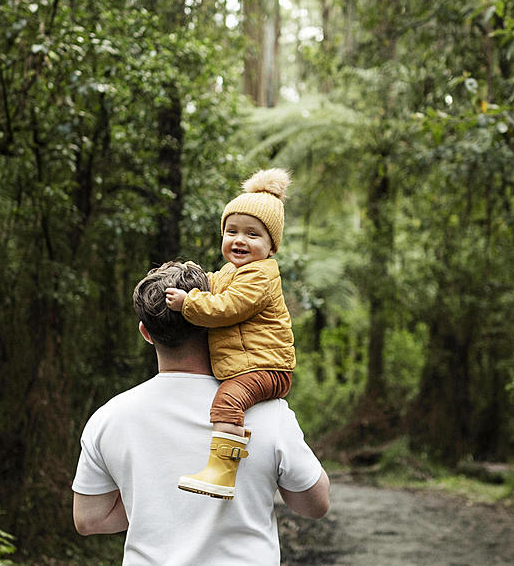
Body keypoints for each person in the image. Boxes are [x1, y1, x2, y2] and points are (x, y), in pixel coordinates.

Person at [72, 260, 329, 566]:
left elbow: (89, 520)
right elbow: (316, 505)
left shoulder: (109, 417)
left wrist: (156, 501)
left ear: (146, 333)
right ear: (214, 321)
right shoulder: (268, 413)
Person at [163, 169, 295, 499]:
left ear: (271, 246)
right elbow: (213, 285)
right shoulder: (232, 272)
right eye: (232, 231)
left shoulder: (260, 276)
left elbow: (228, 306)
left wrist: (188, 302)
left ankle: (222, 471)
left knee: (228, 402)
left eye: (252, 235)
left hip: (266, 368)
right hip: (248, 365)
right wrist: (189, 279)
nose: (239, 240)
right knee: (225, 396)